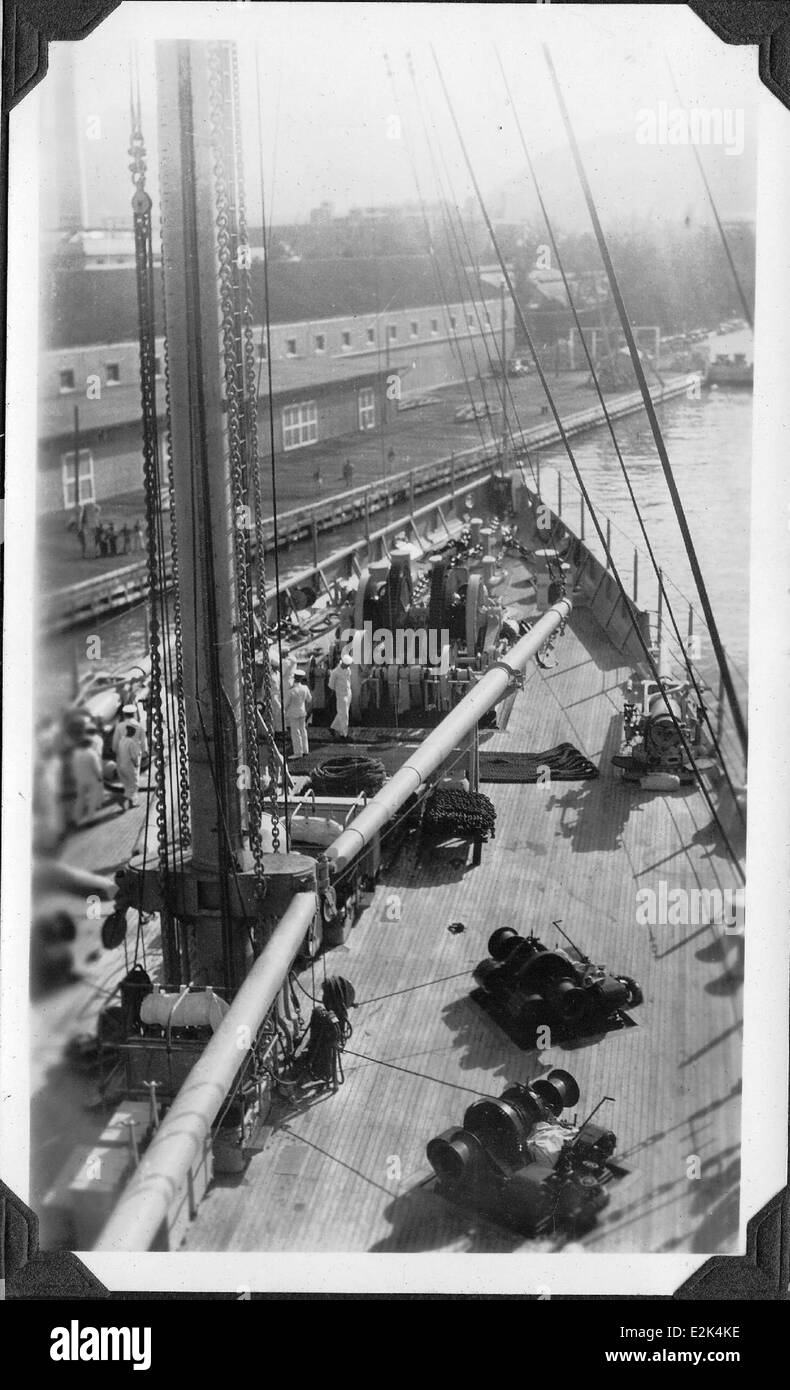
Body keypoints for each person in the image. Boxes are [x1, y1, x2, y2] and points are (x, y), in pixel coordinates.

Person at [113, 705, 149, 808]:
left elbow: (115, 743)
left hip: (121, 753)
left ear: (124, 714)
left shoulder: (119, 726)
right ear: (134, 714)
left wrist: (116, 751)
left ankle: (129, 797)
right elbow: (143, 741)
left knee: (125, 777)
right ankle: (132, 800)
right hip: (134, 754)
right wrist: (145, 752)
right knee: (134, 778)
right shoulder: (139, 726)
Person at [71, 734, 105, 826]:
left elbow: (73, 767)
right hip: (91, 779)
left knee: (80, 799)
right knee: (92, 799)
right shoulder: (91, 753)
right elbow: (97, 768)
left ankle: (76, 818)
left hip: (80, 779)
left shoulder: (76, 753)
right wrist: (100, 778)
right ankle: (90, 818)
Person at [285, 669, 312, 756]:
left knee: (295, 733)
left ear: (294, 678)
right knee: (303, 731)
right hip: (302, 712)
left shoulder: (291, 691)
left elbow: (286, 704)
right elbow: (309, 699)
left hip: (293, 713)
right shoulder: (305, 688)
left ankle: (298, 752)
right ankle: (305, 750)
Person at [328, 652, 353, 740]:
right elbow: (331, 685)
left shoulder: (348, 669)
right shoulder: (335, 672)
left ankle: (333, 727)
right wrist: (337, 691)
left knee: (342, 713)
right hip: (341, 695)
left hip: (348, 693)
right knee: (344, 715)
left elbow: (349, 680)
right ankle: (344, 734)